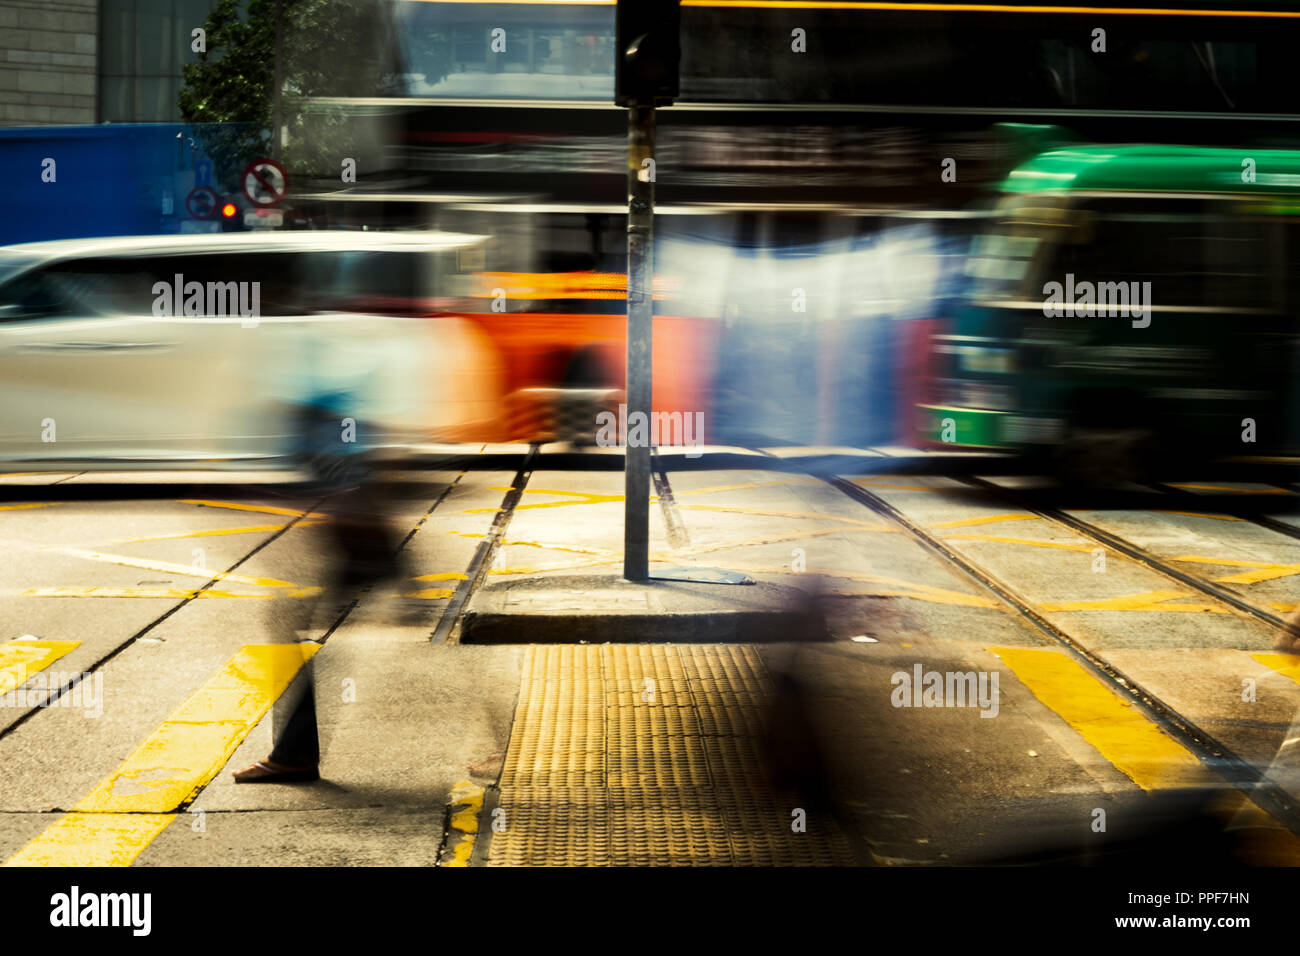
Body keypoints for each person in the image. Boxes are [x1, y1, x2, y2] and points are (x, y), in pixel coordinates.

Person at [233, 396, 406, 783]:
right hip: (362, 555)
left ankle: (294, 756)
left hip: (360, 555)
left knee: (294, 646)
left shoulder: (320, 429)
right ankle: (293, 753)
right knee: (296, 641)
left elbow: (353, 498)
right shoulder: (339, 422)